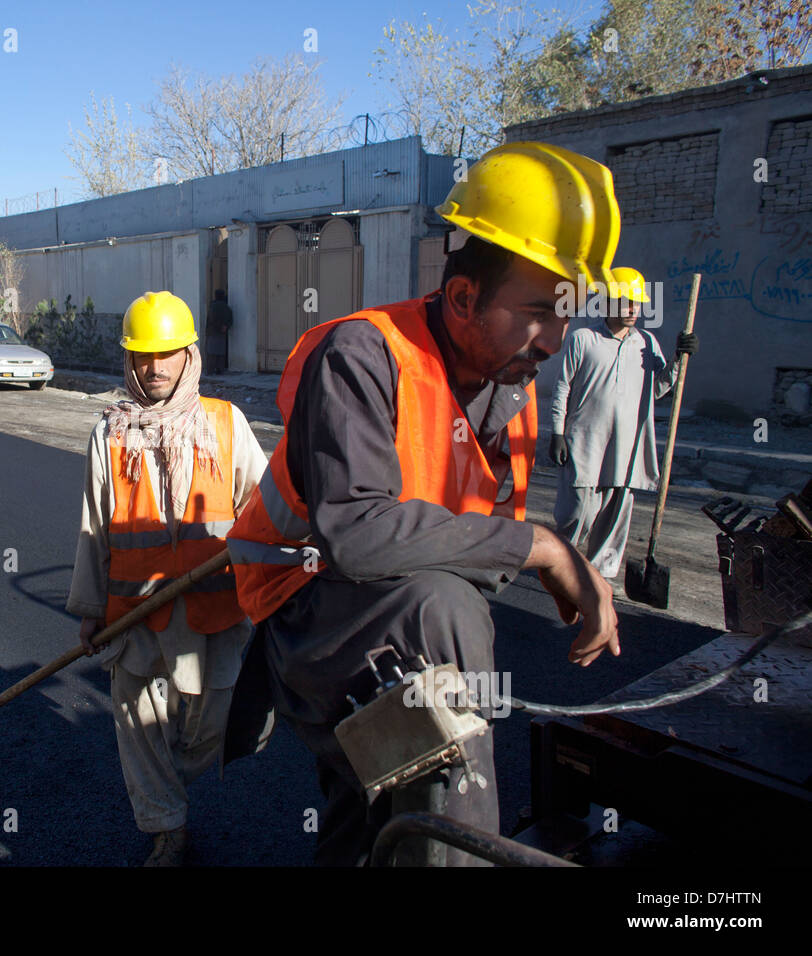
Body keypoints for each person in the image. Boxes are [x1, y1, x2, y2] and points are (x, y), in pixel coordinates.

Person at [223, 142, 624, 867]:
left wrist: (520, 551)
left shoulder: (511, 391)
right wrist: (546, 548)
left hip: (387, 623)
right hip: (305, 608)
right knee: (442, 615)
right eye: (539, 311)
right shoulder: (362, 356)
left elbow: (470, 547)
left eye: (566, 314)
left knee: (378, 805)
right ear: (465, 296)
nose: (557, 340)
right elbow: (360, 535)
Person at [66, 290, 267, 867]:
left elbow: (266, 506)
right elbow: (94, 527)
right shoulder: (109, 434)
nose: (154, 368)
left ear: (189, 355)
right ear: (128, 360)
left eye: (167, 354)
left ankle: (169, 792)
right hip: (135, 618)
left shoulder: (225, 425)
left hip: (214, 615)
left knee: (210, 727)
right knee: (138, 724)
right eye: (142, 356)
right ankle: (167, 828)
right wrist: (89, 611)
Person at [550, 267, 699, 580]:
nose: (634, 309)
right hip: (585, 441)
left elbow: (657, 388)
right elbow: (562, 387)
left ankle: (599, 576)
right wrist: (558, 433)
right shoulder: (583, 339)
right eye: (627, 302)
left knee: (616, 512)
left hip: (626, 445)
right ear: (608, 302)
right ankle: (560, 563)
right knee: (577, 510)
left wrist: (678, 359)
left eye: (637, 303)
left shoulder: (646, 343)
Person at [205, 289, 232, 374]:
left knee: (211, 353)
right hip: (222, 333)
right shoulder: (227, 307)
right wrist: (225, 327)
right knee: (221, 353)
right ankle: (220, 370)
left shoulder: (212, 306)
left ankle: (210, 371)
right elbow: (230, 319)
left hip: (212, 332)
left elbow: (210, 319)